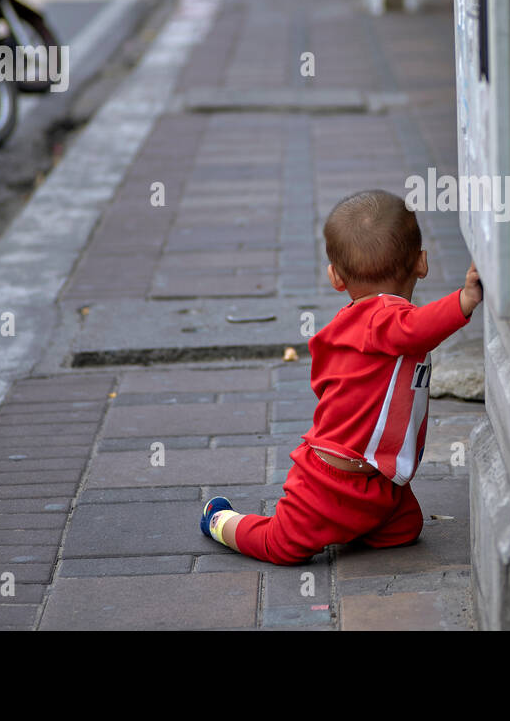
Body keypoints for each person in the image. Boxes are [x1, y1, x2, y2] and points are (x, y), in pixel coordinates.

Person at [200, 189, 483, 565]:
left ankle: (352, 524)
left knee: (405, 528)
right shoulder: (382, 318)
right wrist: (464, 300)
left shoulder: (362, 328)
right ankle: (221, 520)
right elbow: (418, 328)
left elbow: (329, 379)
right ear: (421, 263)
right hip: (329, 482)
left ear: (335, 277)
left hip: (379, 484)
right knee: (281, 546)